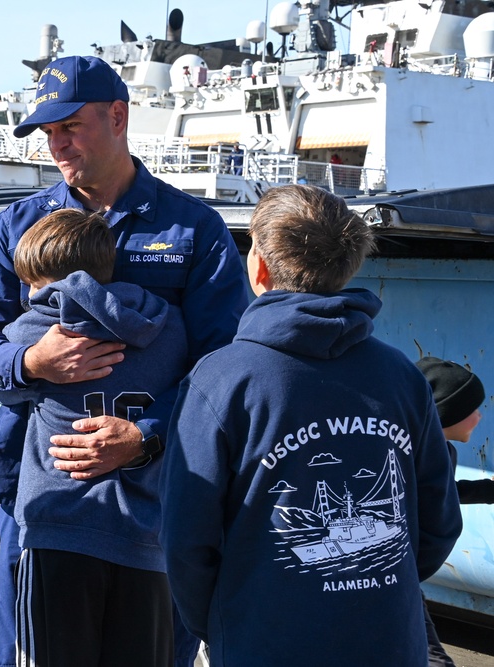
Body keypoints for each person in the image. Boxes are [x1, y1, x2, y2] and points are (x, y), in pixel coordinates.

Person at [0, 54, 249, 667]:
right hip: (40, 507)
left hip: (155, 509)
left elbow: (226, 365)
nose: (57, 145)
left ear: (118, 116)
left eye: (70, 128)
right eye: (48, 133)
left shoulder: (194, 231)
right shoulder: (18, 228)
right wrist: (32, 362)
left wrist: (145, 435)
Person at [159, 184, 463, 666]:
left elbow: (184, 538)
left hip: (265, 645)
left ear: (257, 264)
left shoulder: (222, 379)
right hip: (389, 642)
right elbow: (439, 522)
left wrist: (224, 620)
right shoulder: (401, 375)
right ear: (350, 264)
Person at [0, 208, 189, 666]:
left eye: (33, 283)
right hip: (143, 537)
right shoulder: (169, 327)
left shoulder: (39, 329)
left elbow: (5, 388)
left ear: (54, 284)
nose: (28, 296)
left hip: (58, 528)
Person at [415, 356, 491, 667]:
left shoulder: (438, 450)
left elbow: (441, 494)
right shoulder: (418, 456)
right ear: (446, 415)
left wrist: (486, 491)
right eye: (471, 410)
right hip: (395, 576)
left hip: (404, 576)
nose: (479, 417)